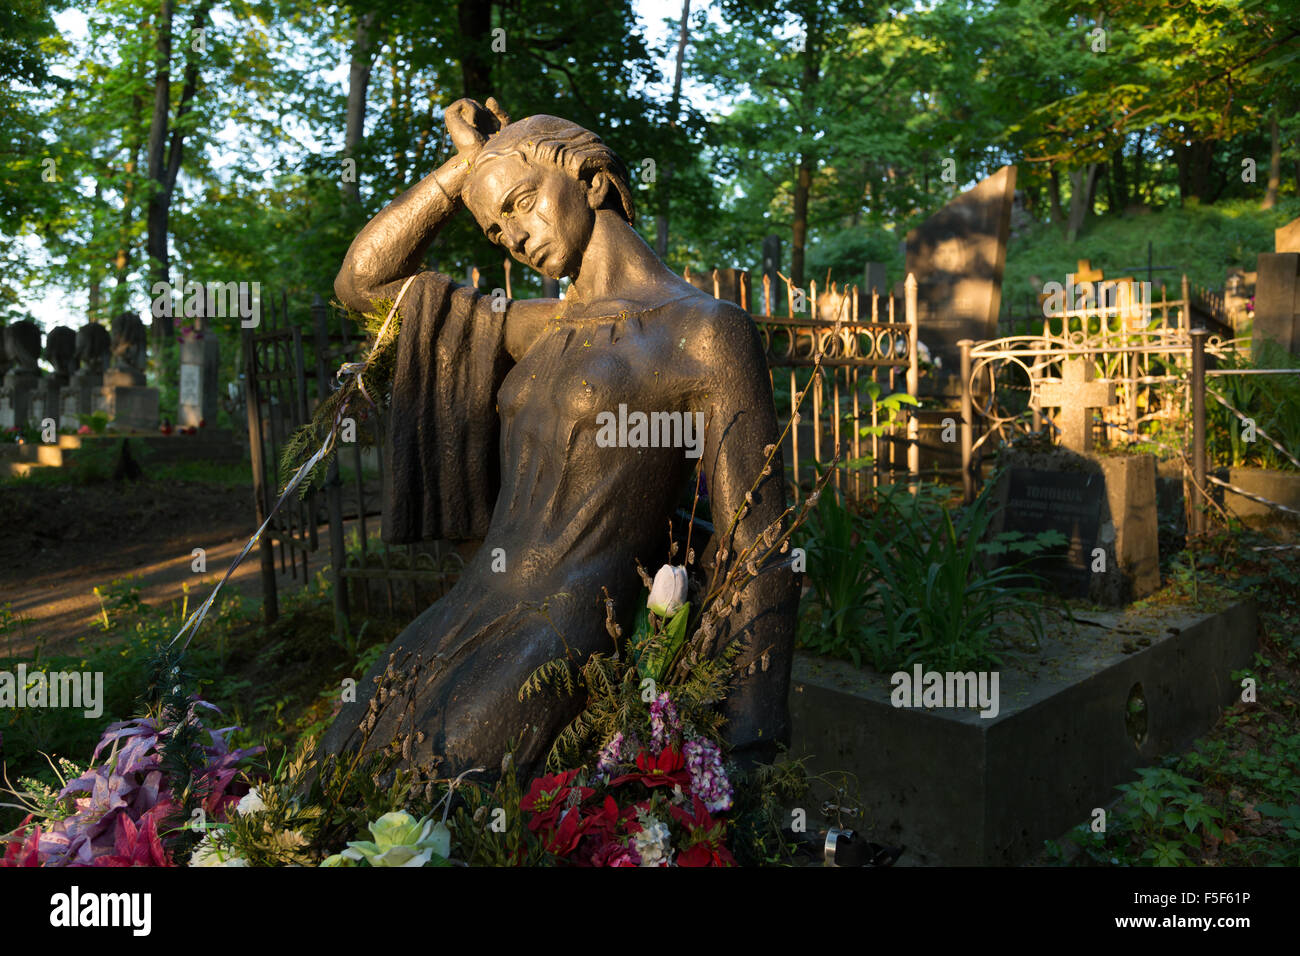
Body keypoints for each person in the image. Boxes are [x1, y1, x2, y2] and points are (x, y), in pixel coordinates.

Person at [323, 97, 796, 780]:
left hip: (566, 633)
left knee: (436, 789)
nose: (511, 235)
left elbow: (760, 545)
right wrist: (468, 170)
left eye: (519, 202)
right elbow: (363, 282)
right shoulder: (536, 327)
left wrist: (748, 747)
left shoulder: (702, 332)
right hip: (469, 607)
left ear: (592, 182)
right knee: (337, 768)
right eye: (493, 230)